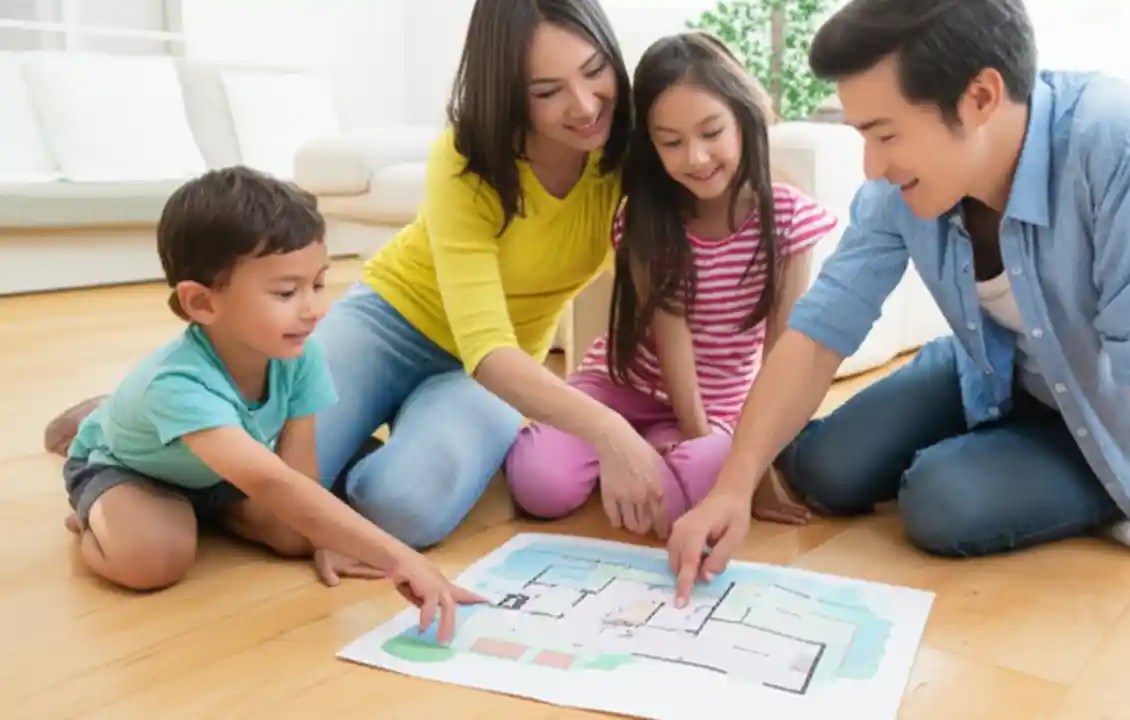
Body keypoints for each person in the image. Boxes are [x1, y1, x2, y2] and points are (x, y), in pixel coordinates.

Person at [667, 0, 1130, 649]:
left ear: (981, 96)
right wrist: (730, 489)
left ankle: (1077, 480)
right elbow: (820, 331)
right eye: (862, 137)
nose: (872, 166)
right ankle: (995, 436)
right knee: (822, 467)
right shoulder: (901, 186)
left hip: (1119, 413)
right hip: (996, 365)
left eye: (885, 134)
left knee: (940, 501)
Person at [45, 0, 668, 547]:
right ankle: (127, 416)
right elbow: (486, 345)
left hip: (494, 370)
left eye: (594, 72)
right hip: (392, 321)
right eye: (546, 90)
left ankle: (369, 456)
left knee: (400, 508)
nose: (585, 106)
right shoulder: (467, 159)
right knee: (253, 471)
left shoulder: (627, 159)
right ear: (507, 91)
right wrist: (609, 432)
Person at [60, 167, 482, 639]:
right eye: (286, 292)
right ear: (201, 304)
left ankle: (208, 510)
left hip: (217, 472)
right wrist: (404, 560)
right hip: (136, 471)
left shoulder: (300, 354)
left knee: (299, 535)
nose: (313, 309)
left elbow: (299, 473)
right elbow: (271, 480)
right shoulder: (176, 382)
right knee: (152, 560)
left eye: (319, 284)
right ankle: (94, 510)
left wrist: (319, 537)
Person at [504, 32, 837, 536]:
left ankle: (654, 458)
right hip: (618, 389)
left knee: (707, 480)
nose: (697, 158)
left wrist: (758, 465)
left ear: (743, 117)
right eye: (672, 143)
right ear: (651, 146)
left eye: (711, 132)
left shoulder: (788, 219)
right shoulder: (648, 220)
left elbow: (780, 353)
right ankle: (638, 454)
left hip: (717, 407)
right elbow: (673, 347)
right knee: (540, 485)